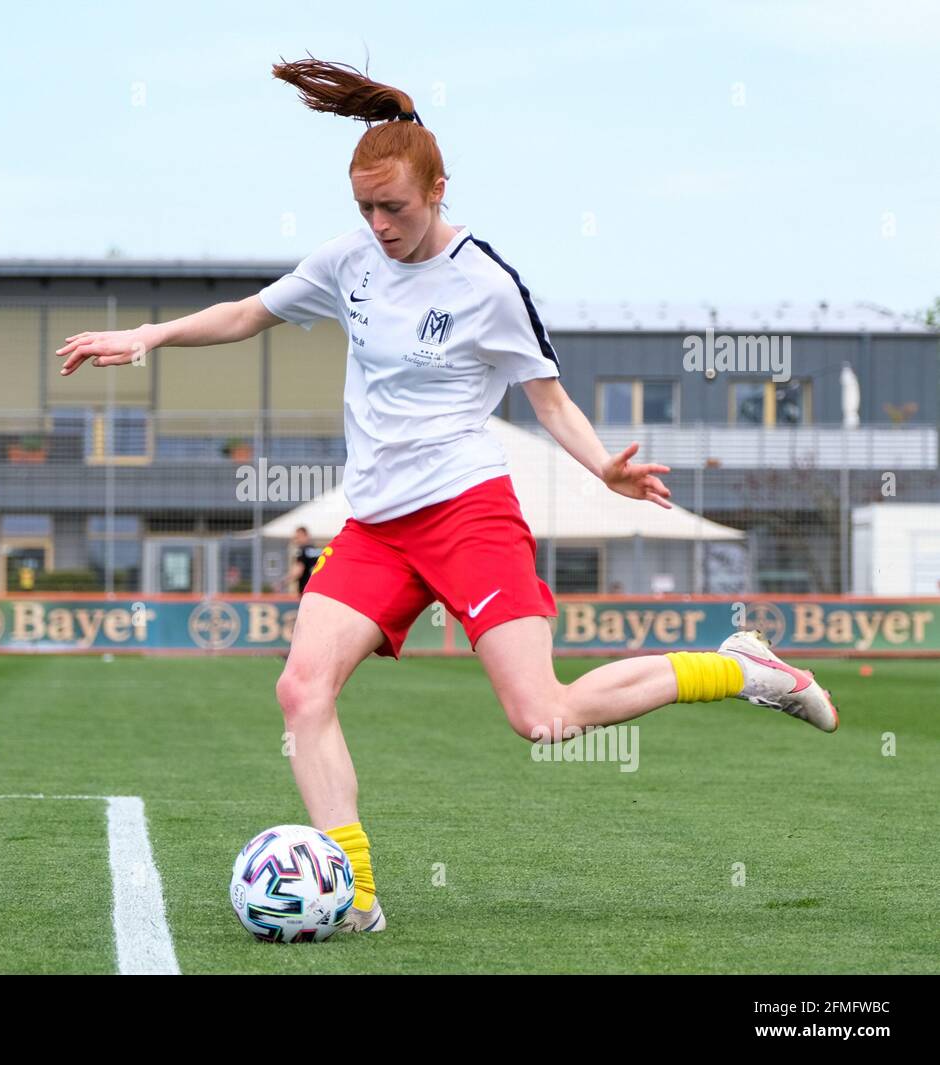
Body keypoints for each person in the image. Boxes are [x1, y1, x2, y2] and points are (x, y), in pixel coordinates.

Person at [55, 56, 839, 935]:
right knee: (300, 690)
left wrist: (603, 471)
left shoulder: (487, 283)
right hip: (376, 527)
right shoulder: (349, 260)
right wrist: (149, 335)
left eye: (395, 207)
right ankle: (353, 896)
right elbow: (251, 311)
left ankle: (741, 667)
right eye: (365, 208)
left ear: (437, 190)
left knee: (544, 717)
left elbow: (549, 396)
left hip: (468, 515)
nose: (379, 224)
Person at [288, 525, 321, 598]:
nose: (296, 540)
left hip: (306, 589)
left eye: (297, 537)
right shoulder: (317, 550)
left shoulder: (302, 550)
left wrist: (284, 582)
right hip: (319, 589)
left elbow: (298, 570)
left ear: (305, 536)